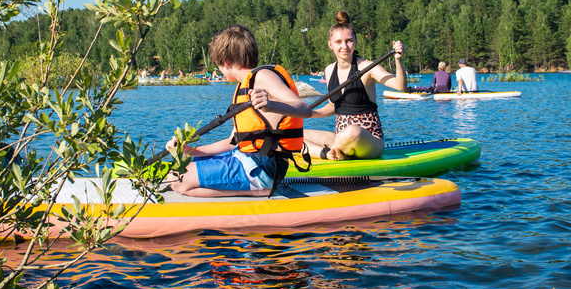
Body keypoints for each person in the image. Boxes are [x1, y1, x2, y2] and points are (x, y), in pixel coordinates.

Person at [165, 25, 311, 197]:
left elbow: (305, 108)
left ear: (227, 62)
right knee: (178, 168)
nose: (219, 69)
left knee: (177, 179)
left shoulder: (263, 76)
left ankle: (259, 189)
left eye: (218, 64)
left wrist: (271, 105)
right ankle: (254, 187)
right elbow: (232, 141)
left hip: (263, 167)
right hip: (245, 157)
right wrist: (190, 151)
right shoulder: (244, 85)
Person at [303, 11, 406, 161]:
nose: (344, 46)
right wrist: (307, 113)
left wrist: (398, 59)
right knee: (296, 133)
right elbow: (332, 106)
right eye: (338, 42)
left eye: (349, 41)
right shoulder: (329, 70)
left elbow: (400, 86)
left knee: (352, 131)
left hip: (368, 140)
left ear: (356, 42)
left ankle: (333, 151)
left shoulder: (367, 67)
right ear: (330, 45)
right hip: (340, 138)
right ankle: (328, 153)